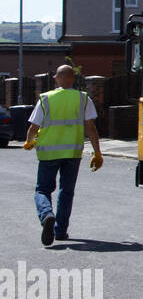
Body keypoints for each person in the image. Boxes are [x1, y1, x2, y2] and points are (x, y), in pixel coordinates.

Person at [23, 65, 103, 246]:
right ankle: (60, 231)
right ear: (73, 79)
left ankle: (47, 216)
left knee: (42, 189)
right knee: (66, 192)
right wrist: (97, 152)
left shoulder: (46, 98)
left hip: (49, 154)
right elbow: (91, 127)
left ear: (57, 79)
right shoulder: (83, 99)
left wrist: (29, 141)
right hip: (73, 153)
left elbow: (34, 127)